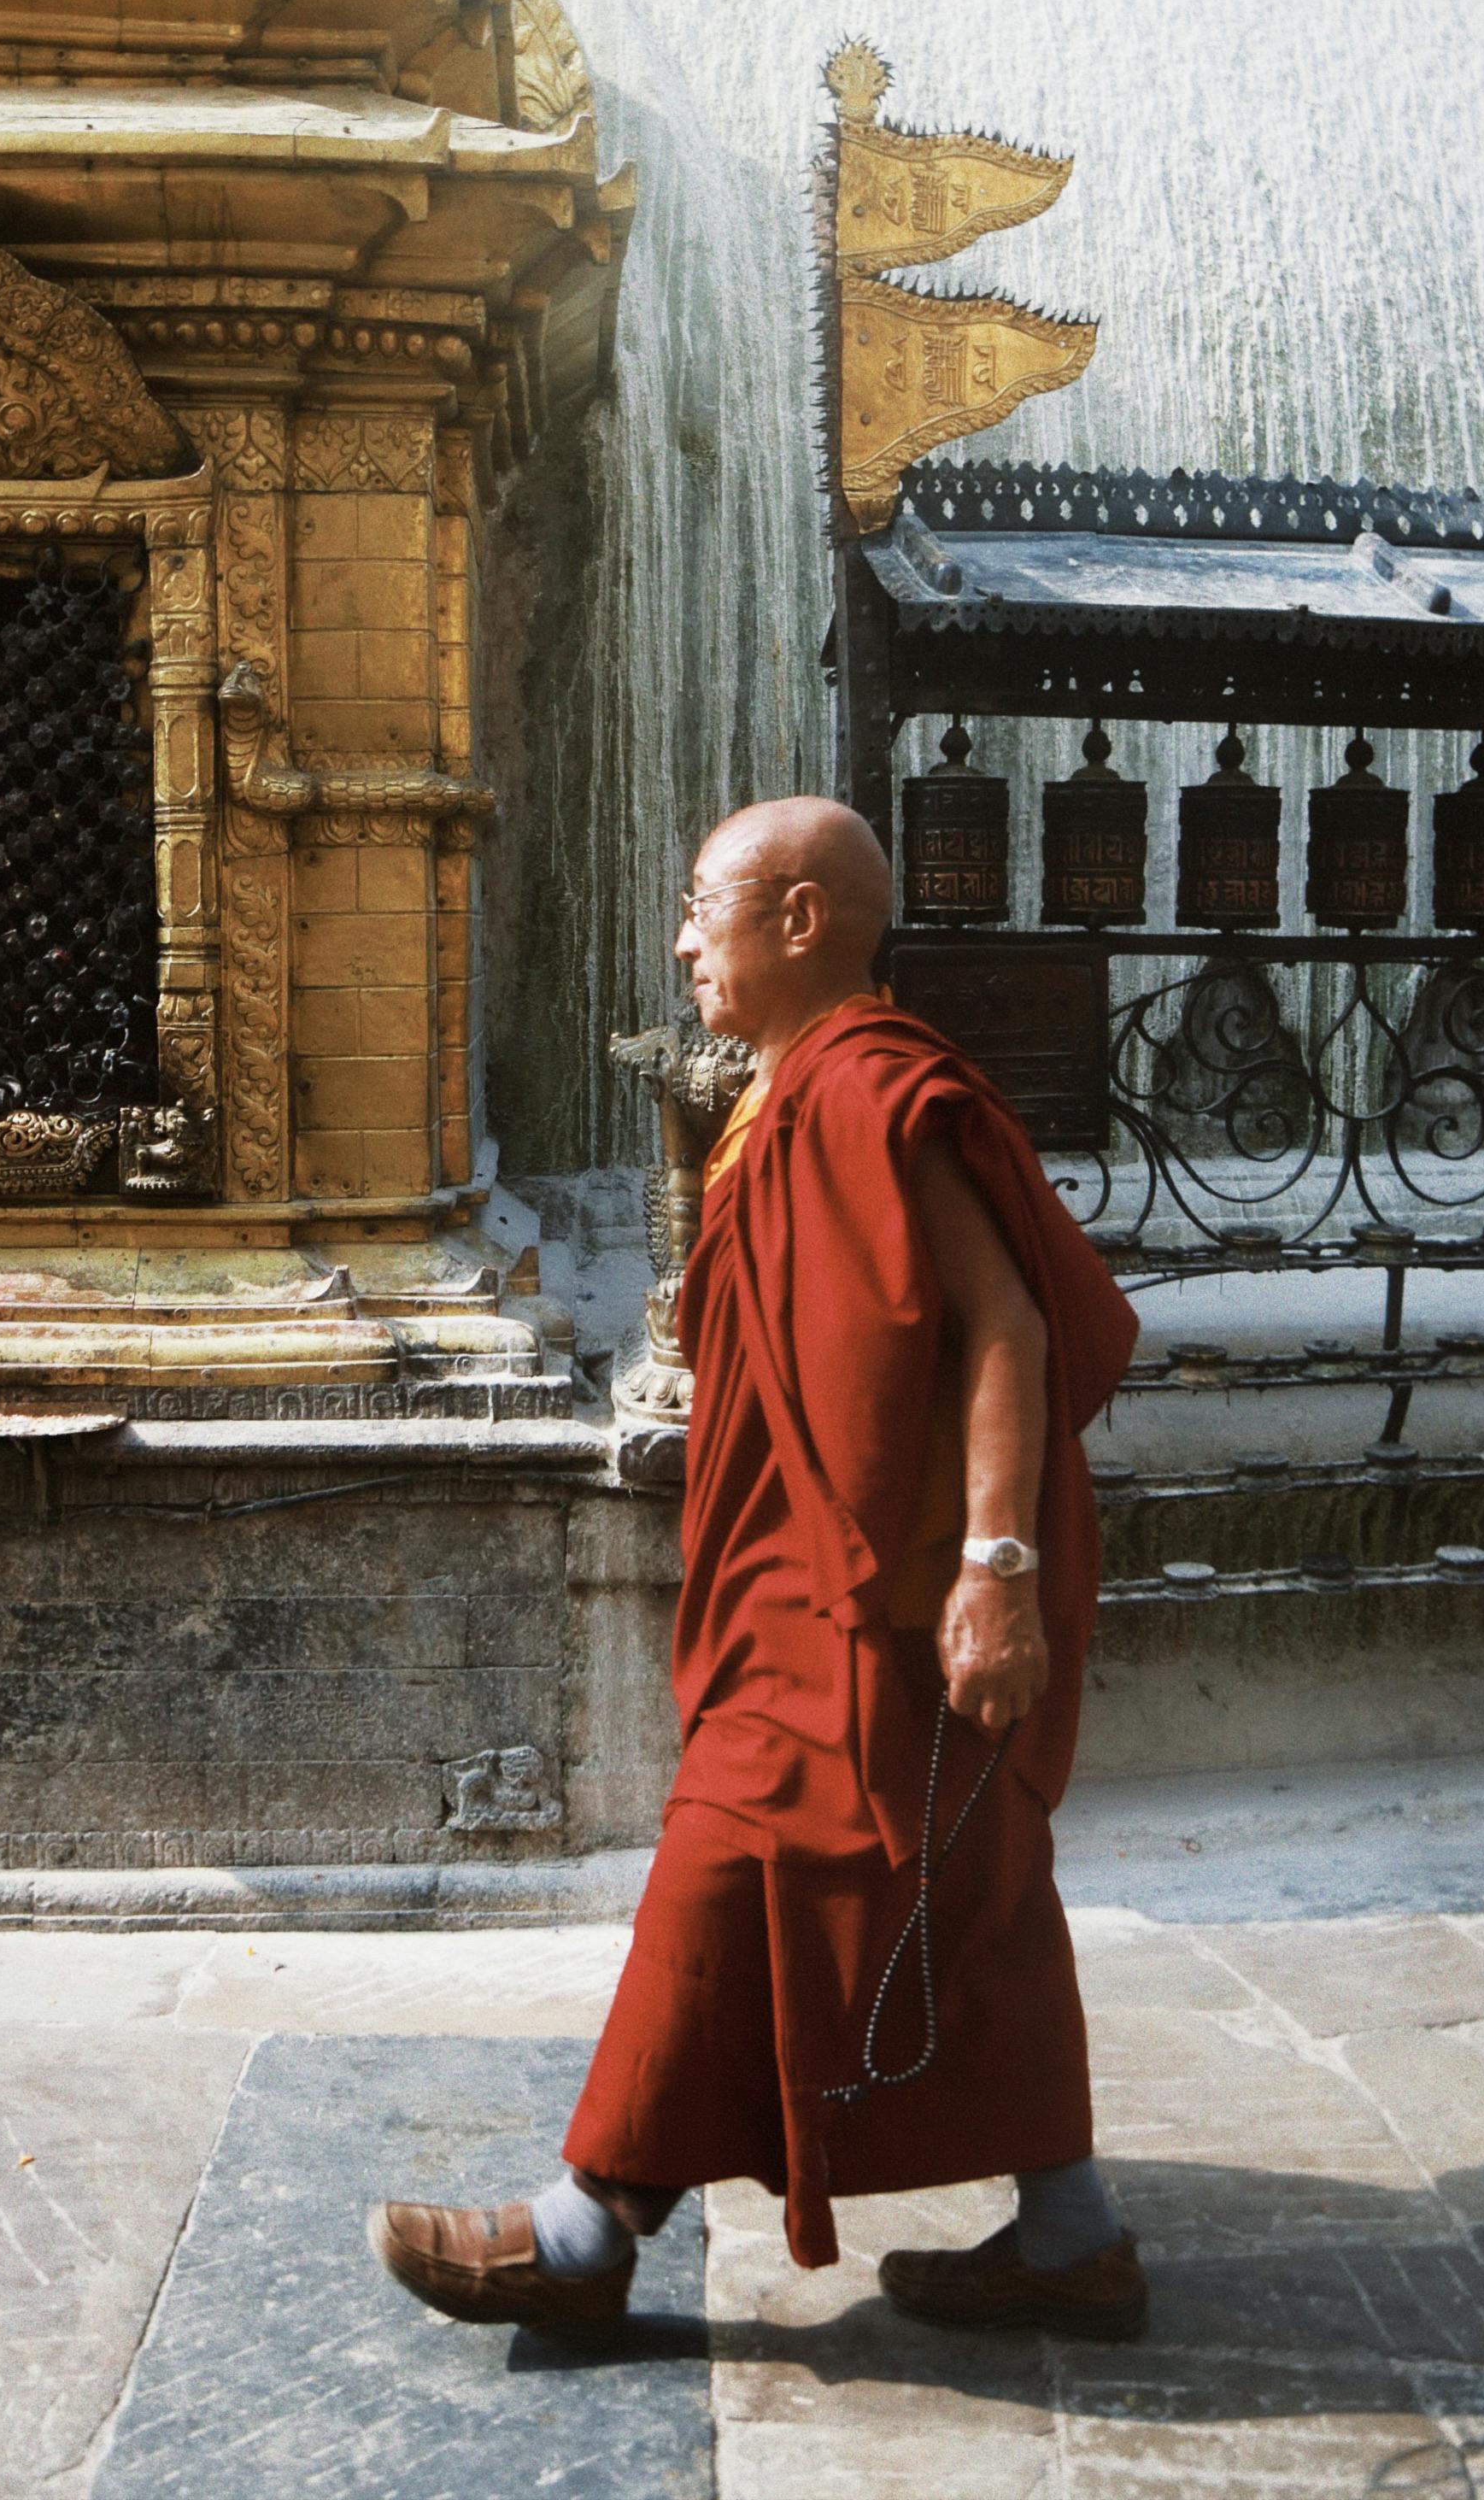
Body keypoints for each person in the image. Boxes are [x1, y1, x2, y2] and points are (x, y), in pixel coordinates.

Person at [367, 795, 1146, 2339]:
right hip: (830, 1568)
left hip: (896, 1582)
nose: (677, 943)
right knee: (970, 1882)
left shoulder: (869, 1090)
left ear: (799, 919)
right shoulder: (785, 1093)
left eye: (700, 908)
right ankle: (1071, 2233)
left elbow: (1014, 1329)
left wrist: (995, 1565)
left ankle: (585, 2236)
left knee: (733, 1848)